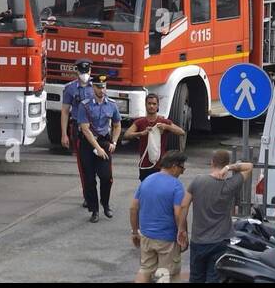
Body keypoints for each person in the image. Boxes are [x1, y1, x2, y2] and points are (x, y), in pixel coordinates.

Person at [177, 148, 253, 284]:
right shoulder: (230, 185)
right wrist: (229, 167)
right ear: (226, 164)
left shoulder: (198, 181)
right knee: (214, 278)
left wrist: (181, 229)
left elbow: (184, 205)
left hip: (199, 240)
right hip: (220, 241)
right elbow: (249, 167)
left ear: (212, 163)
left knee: (196, 277)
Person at [130, 151, 188, 284]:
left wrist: (135, 231)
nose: (182, 172)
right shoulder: (176, 185)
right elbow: (178, 213)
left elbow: (133, 208)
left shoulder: (147, 180)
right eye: (182, 168)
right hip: (166, 238)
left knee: (145, 269)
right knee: (167, 273)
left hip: (146, 235)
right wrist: (182, 233)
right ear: (174, 166)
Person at [78, 75, 122, 221]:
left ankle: (105, 203)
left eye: (103, 86)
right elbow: (85, 129)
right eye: (98, 86)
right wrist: (97, 148)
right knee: (89, 179)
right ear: (93, 87)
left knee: (106, 177)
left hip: (104, 141)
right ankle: (94, 210)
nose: (101, 90)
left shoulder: (112, 104)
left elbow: (117, 125)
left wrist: (114, 142)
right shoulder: (84, 105)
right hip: (88, 144)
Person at [123, 93, 185, 180]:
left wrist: (167, 127)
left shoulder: (164, 121)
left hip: (161, 165)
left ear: (158, 106)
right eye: (149, 103)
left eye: (154, 104)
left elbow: (181, 132)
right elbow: (126, 135)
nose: (151, 106)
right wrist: (141, 133)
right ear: (145, 105)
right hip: (145, 165)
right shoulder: (140, 122)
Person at [61, 60, 95, 207]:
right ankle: (88, 196)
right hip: (78, 129)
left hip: (95, 128)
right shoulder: (69, 89)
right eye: (82, 72)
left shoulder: (96, 88)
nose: (84, 75)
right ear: (77, 72)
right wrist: (64, 134)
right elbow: (65, 111)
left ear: (91, 71)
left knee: (98, 165)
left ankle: (96, 193)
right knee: (83, 165)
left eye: (86, 71)